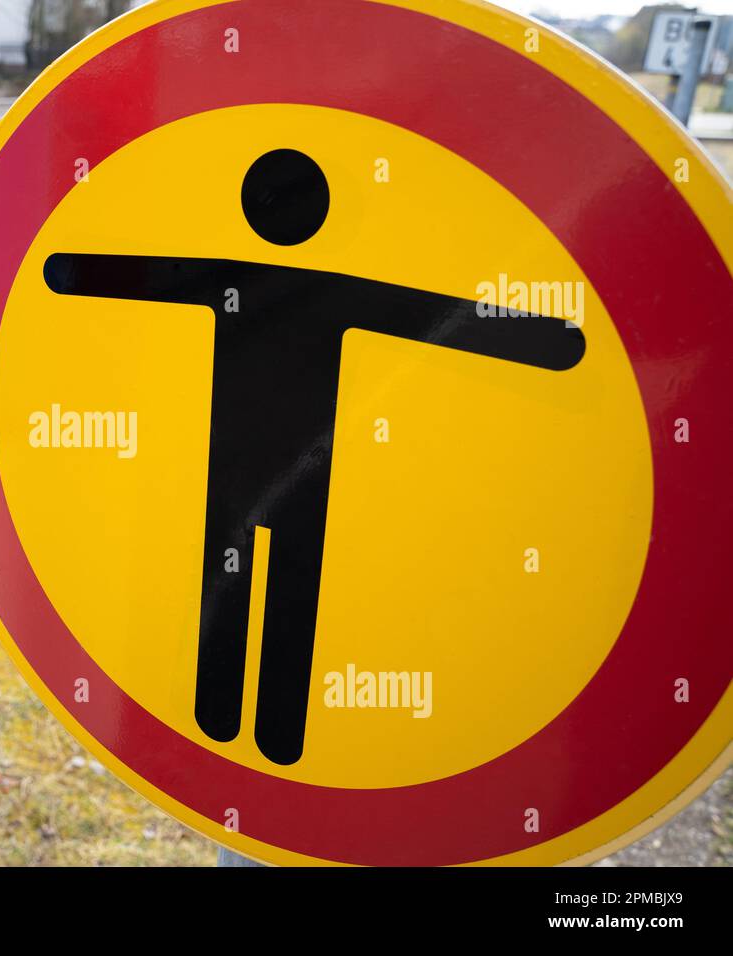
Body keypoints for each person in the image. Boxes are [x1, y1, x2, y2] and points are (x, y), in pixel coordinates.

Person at [44, 148, 585, 765]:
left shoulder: (224, 277)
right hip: (292, 480)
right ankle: (261, 731)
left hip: (245, 478)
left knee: (242, 589)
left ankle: (230, 720)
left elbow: (106, 275)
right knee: (280, 595)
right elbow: (449, 317)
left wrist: (61, 272)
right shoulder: (331, 288)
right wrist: (556, 340)